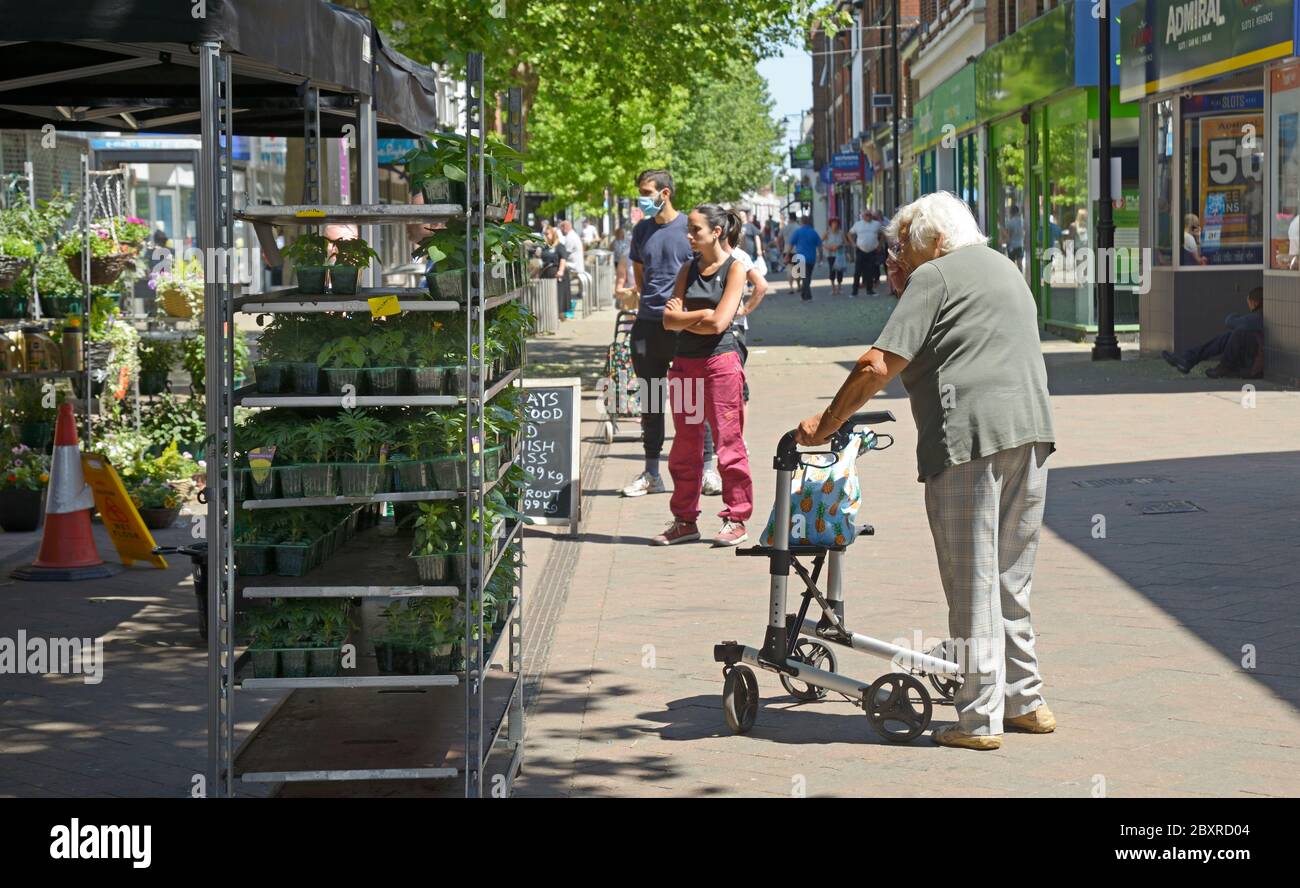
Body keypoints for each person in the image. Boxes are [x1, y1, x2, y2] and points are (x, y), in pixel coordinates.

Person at [796, 191, 1057, 751]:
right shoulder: (1006, 268)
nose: (901, 257)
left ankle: (978, 718)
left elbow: (875, 364)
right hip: (1031, 433)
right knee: (1012, 578)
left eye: (906, 246)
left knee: (973, 582)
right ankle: (1025, 700)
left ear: (937, 240)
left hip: (968, 439)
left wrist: (826, 422)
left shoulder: (936, 275)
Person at [655, 204, 753, 547]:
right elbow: (667, 321)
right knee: (685, 445)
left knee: (729, 442)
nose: (689, 236)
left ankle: (736, 517)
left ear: (716, 232)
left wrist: (688, 317)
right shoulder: (687, 269)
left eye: (695, 230)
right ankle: (685, 520)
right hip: (684, 366)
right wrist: (703, 313)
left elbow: (718, 323)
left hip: (719, 365)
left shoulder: (735, 269)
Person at [622, 169, 695, 498]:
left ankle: (704, 468)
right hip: (648, 325)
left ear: (665, 193)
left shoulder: (688, 229)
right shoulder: (641, 230)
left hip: (681, 325)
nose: (642, 199)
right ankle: (652, 472)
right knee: (651, 401)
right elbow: (640, 276)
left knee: (690, 399)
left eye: (647, 192)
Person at [1162, 287, 1265, 378]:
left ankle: (1222, 367)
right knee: (1228, 336)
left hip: (1251, 367)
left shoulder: (1257, 317)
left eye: (1249, 302)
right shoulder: (1259, 317)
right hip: (1249, 360)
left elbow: (1229, 321)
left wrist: (1236, 315)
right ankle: (1187, 359)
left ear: (1255, 303)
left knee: (1238, 333)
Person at [787, 214, 822, 302]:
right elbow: (820, 245)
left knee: (804, 277)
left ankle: (807, 296)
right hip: (811, 258)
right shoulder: (813, 232)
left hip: (800, 258)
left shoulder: (798, 232)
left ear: (801, 222)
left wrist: (787, 255)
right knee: (807, 277)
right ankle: (804, 295)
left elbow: (791, 244)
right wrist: (820, 256)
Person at [849, 208, 883, 296]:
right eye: (866, 215)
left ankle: (870, 289)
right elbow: (849, 234)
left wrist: (880, 245)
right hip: (860, 250)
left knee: (870, 271)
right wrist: (853, 243)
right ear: (863, 216)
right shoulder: (858, 224)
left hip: (872, 251)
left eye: (869, 215)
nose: (868, 217)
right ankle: (854, 291)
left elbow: (883, 233)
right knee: (857, 271)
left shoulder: (876, 224)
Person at [538, 225, 571, 316]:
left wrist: (560, 271)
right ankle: (550, 314)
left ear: (553, 234)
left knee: (559, 295)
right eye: (544, 234)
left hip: (557, 275)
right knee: (549, 296)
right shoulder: (545, 247)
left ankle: (560, 315)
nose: (546, 236)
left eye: (547, 234)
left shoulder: (559, 246)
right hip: (546, 274)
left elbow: (563, 258)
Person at [822, 217, 848, 297]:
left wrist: (840, 246)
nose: (835, 225)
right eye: (833, 223)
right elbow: (821, 242)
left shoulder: (841, 233)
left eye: (836, 223)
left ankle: (839, 288)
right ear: (831, 224)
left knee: (840, 271)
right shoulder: (827, 233)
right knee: (832, 271)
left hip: (839, 255)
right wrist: (828, 247)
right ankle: (833, 289)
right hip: (830, 255)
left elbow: (846, 243)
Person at [779, 211, 801, 292]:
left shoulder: (784, 228)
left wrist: (780, 248)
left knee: (789, 269)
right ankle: (799, 286)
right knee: (798, 269)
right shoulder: (799, 227)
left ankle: (791, 287)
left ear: (789, 218)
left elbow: (778, 239)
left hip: (786, 250)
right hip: (797, 250)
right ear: (796, 218)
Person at [612, 225, 632, 290]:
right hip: (618, 260)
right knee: (621, 277)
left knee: (626, 276)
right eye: (620, 232)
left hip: (627, 259)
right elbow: (616, 251)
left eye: (622, 232)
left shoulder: (627, 240)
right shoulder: (615, 242)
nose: (622, 234)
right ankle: (622, 288)